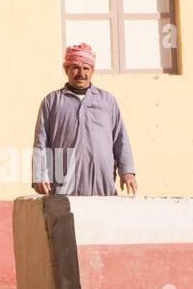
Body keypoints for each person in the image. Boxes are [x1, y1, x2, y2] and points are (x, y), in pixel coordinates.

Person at [31, 42, 137, 196]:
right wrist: (39, 175)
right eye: (75, 67)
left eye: (86, 68)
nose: (81, 73)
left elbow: (120, 138)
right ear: (66, 69)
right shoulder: (51, 102)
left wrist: (127, 172)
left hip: (102, 183)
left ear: (92, 71)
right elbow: (41, 142)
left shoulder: (107, 101)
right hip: (64, 185)